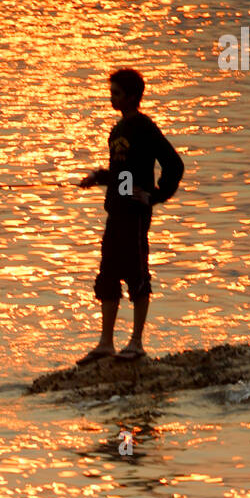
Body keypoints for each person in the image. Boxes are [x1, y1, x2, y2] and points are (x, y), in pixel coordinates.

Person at [78, 68, 184, 363]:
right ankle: (106, 343)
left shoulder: (144, 127)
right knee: (108, 273)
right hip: (116, 211)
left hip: (136, 214)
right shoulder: (117, 130)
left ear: (133, 96)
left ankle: (136, 343)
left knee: (137, 273)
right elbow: (122, 173)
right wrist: (98, 177)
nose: (112, 98)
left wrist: (155, 195)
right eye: (111, 92)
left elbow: (174, 165)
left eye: (117, 93)